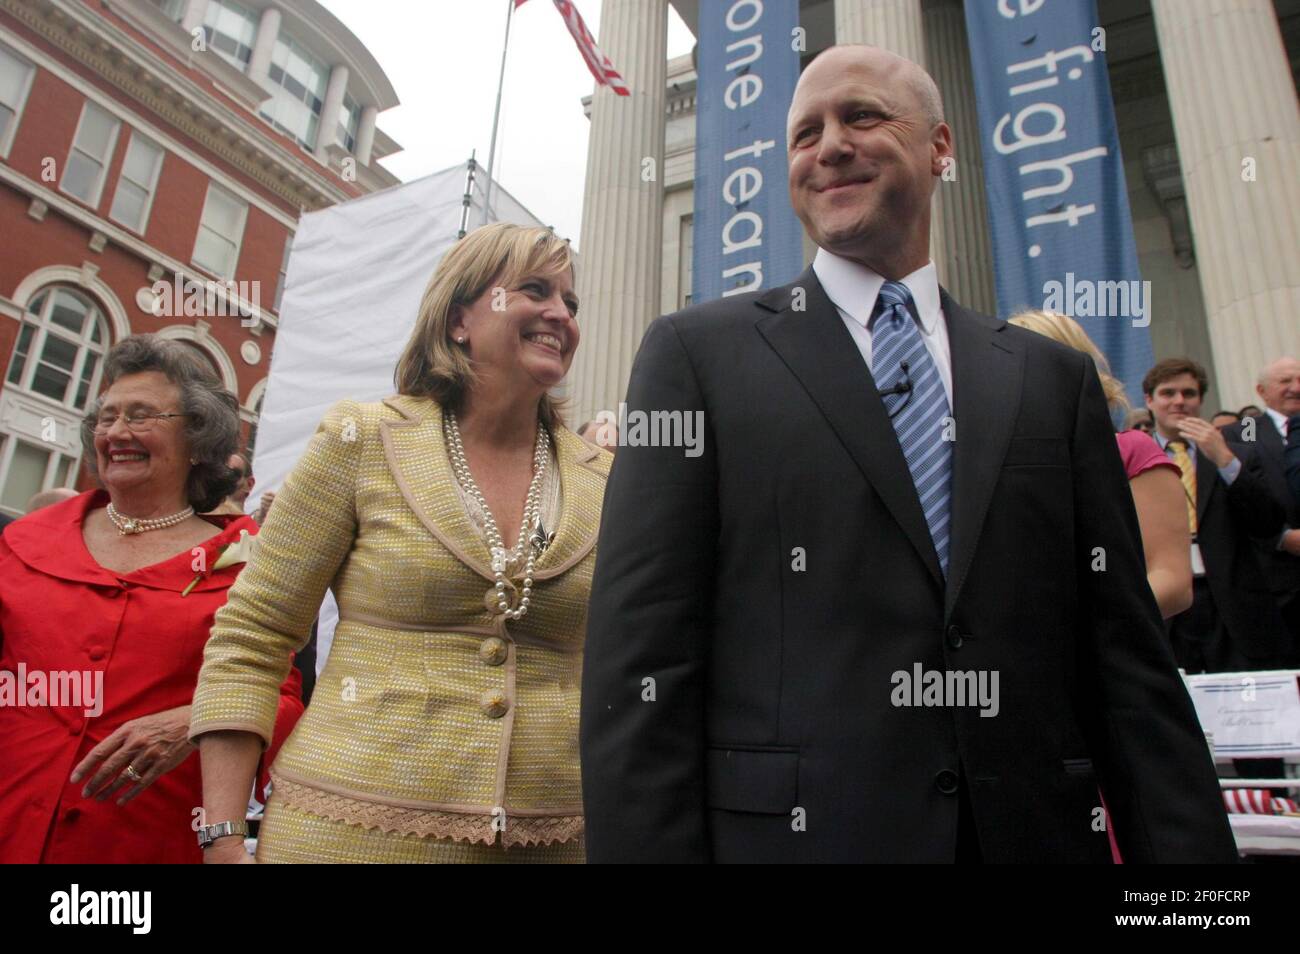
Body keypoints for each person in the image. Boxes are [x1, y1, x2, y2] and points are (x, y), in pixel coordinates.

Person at [581, 44, 1235, 863]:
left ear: (939, 147)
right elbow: (642, 661)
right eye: (803, 133)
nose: (828, 146)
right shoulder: (697, 358)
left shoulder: (1051, 381)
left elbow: (1128, 669)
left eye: (860, 115)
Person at [190, 223, 612, 864]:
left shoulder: (603, 480)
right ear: (460, 318)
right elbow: (254, 638)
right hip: (343, 839)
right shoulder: (361, 440)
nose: (561, 314)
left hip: (553, 844)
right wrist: (222, 838)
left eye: (570, 302)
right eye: (534, 290)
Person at [0, 335, 303, 863]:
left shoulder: (249, 562)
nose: (117, 432)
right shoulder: (28, 541)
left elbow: (282, 701)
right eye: (107, 417)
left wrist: (194, 721)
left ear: (197, 440)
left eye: (141, 417)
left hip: (140, 843)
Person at [1008, 311, 1190, 619]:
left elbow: (1171, 581)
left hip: (1105, 652)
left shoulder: (1130, 451)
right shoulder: (988, 465)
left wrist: (1081, 629)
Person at [1143, 358, 1287, 672]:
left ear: (1201, 400)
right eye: (1168, 393)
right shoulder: (1130, 460)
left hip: (1233, 606)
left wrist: (1224, 460)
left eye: (1189, 393)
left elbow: (1268, 523)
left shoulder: (1239, 453)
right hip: (1165, 604)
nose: (1179, 401)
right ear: (1149, 400)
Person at [1221, 357, 1300, 660]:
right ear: (1262, 391)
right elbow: (1245, 495)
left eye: (1299, 380)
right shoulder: (1245, 432)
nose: (1295, 388)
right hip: (1277, 583)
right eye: (1285, 382)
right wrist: (1282, 537)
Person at [207, 452, 254, 516]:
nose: (221, 478)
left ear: (249, 484)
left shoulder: (248, 525)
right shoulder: (193, 516)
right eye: (217, 472)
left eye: (229, 473)